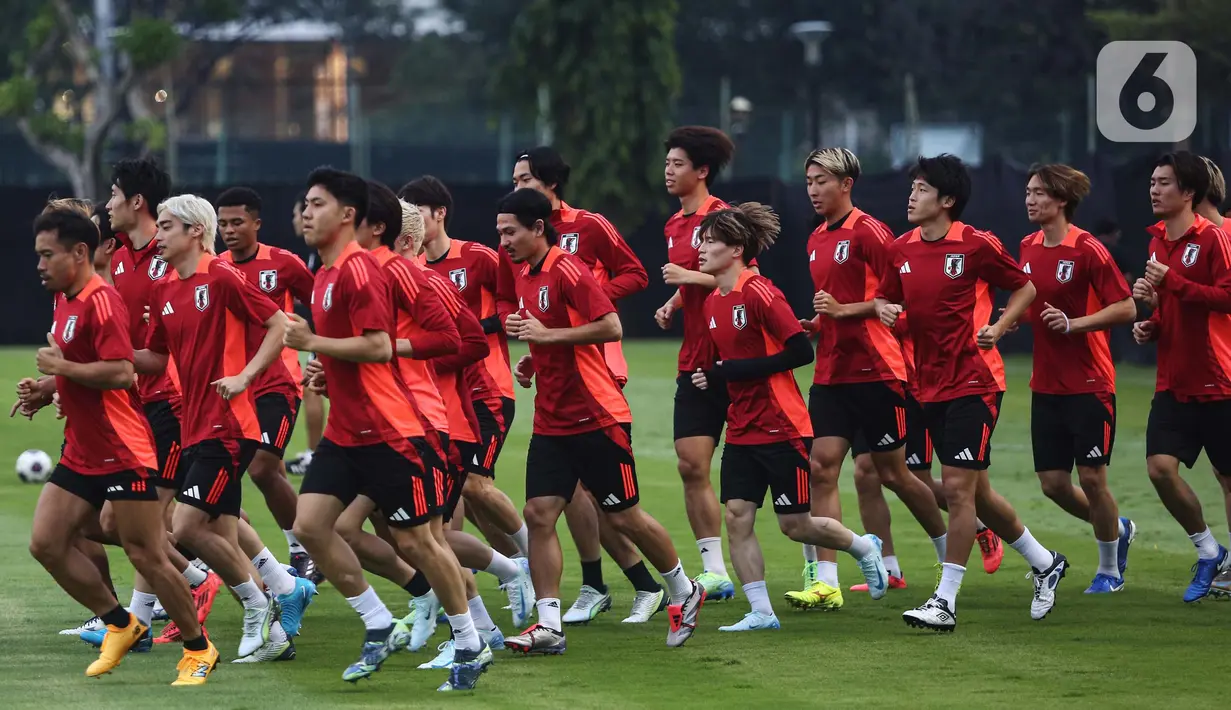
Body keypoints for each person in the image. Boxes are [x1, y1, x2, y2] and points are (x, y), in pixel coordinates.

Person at [282, 167, 491, 691]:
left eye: (316, 203)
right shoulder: (327, 273)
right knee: (310, 527)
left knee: (420, 541)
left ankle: (470, 638)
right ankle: (378, 622)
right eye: (304, 204)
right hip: (347, 433)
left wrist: (314, 346)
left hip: (394, 429)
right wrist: (326, 365)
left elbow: (378, 345)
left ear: (351, 217)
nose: (305, 212)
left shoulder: (363, 271)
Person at [497, 187, 705, 654]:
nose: (504, 241)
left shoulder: (567, 268)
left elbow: (610, 325)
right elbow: (553, 336)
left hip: (597, 414)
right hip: (553, 419)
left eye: (510, 232)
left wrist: (549, 336)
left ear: (537, 228)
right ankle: (549, 625)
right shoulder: (525, 275)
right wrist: (536, 355)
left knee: (624, 516)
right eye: (499, 232)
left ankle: (683, 589)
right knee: (539, 513)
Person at [874, 154, 1068, 632]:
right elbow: (887, 298)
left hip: (975, 382)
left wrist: (998, 327)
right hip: (925, 384)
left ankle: (944, 601)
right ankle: (1046, 562)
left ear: (947, 200)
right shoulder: (900, 249)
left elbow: (1024, 288)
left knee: (958, 488)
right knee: (975, 492)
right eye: (912, 188)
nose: (911, 197)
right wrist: (888, 313)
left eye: (921, 189)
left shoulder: (976, 245)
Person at [26, 208, 219, 685]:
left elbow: (120, 371)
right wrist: (48, 388)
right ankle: (120, 623)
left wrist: (62, 370)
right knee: (46, 543)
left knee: (147, 554)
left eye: (47, 255)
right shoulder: (68, 301)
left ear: (78, 253)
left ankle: (199, 649)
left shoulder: (101, 301)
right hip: (83, 451)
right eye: (38, 255)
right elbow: (80, 366)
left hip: (122, 449)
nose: (40, 264)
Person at [691, 201, 888, 631]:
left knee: (795, 526)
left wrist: (732, 371)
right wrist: (715, 378)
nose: (701, 249)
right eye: (701, 240)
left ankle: (862, 547)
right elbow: (735, 362)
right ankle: (761, 613)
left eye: (710, 241)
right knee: (737, 515)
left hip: (783, 425)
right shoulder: (711, 303)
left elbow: (799, 350)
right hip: (742, 427)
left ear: (737, 248)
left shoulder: (760, 291)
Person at [504, 147, 664, 625]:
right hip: (555, 364)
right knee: (560, 499)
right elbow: (513, 301)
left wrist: (582, 302)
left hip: (595, 370)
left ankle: (652, 584)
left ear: (550, 185)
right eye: (513, 179)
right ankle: (595, 587)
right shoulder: (517, 243)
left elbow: (634, 274)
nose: (517, 187)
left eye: (525, 178)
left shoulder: (586, 228)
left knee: (600, 500)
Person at [785, 148, 947, 610]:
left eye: (822, 181)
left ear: (847, 183)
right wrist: (819, 324)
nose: (813, 189)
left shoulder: (871, 232)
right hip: (832, 372)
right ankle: (827, 583)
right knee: (821, 466)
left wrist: (846, 310)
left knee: (895, 474)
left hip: (878, 370)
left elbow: (899, 298)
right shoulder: (816, 237)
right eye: (809, 180)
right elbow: (844, 306)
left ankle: (947, 558)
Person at [135, 193, 291, 660]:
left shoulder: (222, 276)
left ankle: (257, 604)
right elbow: (155, 359)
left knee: (183, 525)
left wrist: (245, 376)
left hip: (229, 425)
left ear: (194, 232)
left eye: (165, 227)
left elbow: (279, 324)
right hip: (194, 426)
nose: (157, 236)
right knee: (220, 533)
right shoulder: (164, 288)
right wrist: (96, 360)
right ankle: (277, 639)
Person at [102, 159, 224, 646]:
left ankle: (138, 622)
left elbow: (157, 353)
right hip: (134, 405)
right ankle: (273, 583)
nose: (107, 203)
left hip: (171, 405)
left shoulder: (174, 258)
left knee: (147, 524)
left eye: (114, 194)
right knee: (170, 523)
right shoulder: (117, 258)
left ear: (136, 202)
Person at [1019, 163, 1138, 593]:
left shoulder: (1088, 249)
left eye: (1039, 193)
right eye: (1028, 192)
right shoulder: (1028, 245)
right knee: (1053, 485)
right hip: (1045, 385)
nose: (1030, 199)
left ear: (1062, 201)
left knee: (1092, 479)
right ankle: (1118, 529)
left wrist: (1075, 323)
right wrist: (1014, 320)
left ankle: (1109, 568)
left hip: (1090, 383)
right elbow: (1029, 299)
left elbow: (1125, 307)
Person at [403, 176, 531, 565]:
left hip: (488, 389)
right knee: (453, 495)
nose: (409, 220)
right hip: (439, 396)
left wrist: (495, 322)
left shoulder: (478, 256)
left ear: (440, 213)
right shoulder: (411, 269)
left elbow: (514, 297)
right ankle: (499, 571)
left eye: (417, 211)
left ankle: (533, 555)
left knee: (475, 485)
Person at [1130, 151, 1231, 602]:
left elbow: (1226, 299)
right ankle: (1209, 550)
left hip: (1217, 378)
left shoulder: (1213, 238)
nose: (1154, 189)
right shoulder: (1156, 242)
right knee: (1159, 469)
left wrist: (1173, 284)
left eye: (1164, 182)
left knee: (1228, 479)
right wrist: (1152, 325)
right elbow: (1173, 308)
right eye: (1152, 181)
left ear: (1189, 193)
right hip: (1173, 379)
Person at [216, 187, 323, 589]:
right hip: (231, 386)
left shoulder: (284, 263)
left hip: (277, 382)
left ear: (257, 224)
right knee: (264, 471)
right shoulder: (215, 267)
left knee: (261, 467)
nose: (229, 230)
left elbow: (321, 305)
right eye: (223, 223)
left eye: (237, 222)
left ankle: (302, 548)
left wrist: (319, 349)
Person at [654, 126, 738, 601]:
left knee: (768, 471)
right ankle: (714, 571)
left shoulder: (724, 218)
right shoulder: (673, 225)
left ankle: (822, 568)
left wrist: (689, 276)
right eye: (666, 163)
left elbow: (743, 279)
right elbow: (697, 283)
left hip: (737, 360)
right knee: (691, 465)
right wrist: (675, 301)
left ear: (702, 171)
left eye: (678, 164)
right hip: (695, 361)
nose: (668, 171)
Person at [288, 191, 327, 479]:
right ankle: (316, 452)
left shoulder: (324, 254)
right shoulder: (315, 254)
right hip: (320, 334)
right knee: (313, 389)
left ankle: (316, 453)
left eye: (297, 213)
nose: (297, 220)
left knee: (313, 388)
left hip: (323, 335)